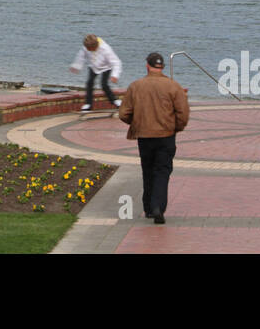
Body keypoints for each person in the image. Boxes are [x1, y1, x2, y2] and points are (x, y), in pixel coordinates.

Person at [118, 52, 189, 224]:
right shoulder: (173, 86)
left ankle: (149, 208)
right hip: (166, 136)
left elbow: (123, 113)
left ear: (147, 66)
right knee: (162, 171)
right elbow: (183, 114)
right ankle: (158, 207)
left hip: (144, 136)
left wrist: (136, 123)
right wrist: (175, 128)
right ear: (162, 67)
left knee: (147, 170)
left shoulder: (136, 86)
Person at [69, 34, 122, 110]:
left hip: (106, 67)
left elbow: (116, 62)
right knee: (89, 83)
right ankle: (88, 104)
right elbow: (81, 56)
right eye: (87, 48)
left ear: (95, 46)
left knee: (104, 85)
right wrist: (76, 66)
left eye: (90, 48)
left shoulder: (106, 49)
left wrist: (115, 75)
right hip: (93, 66)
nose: (88, 50)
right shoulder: (86, 47)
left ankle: (115, 101)